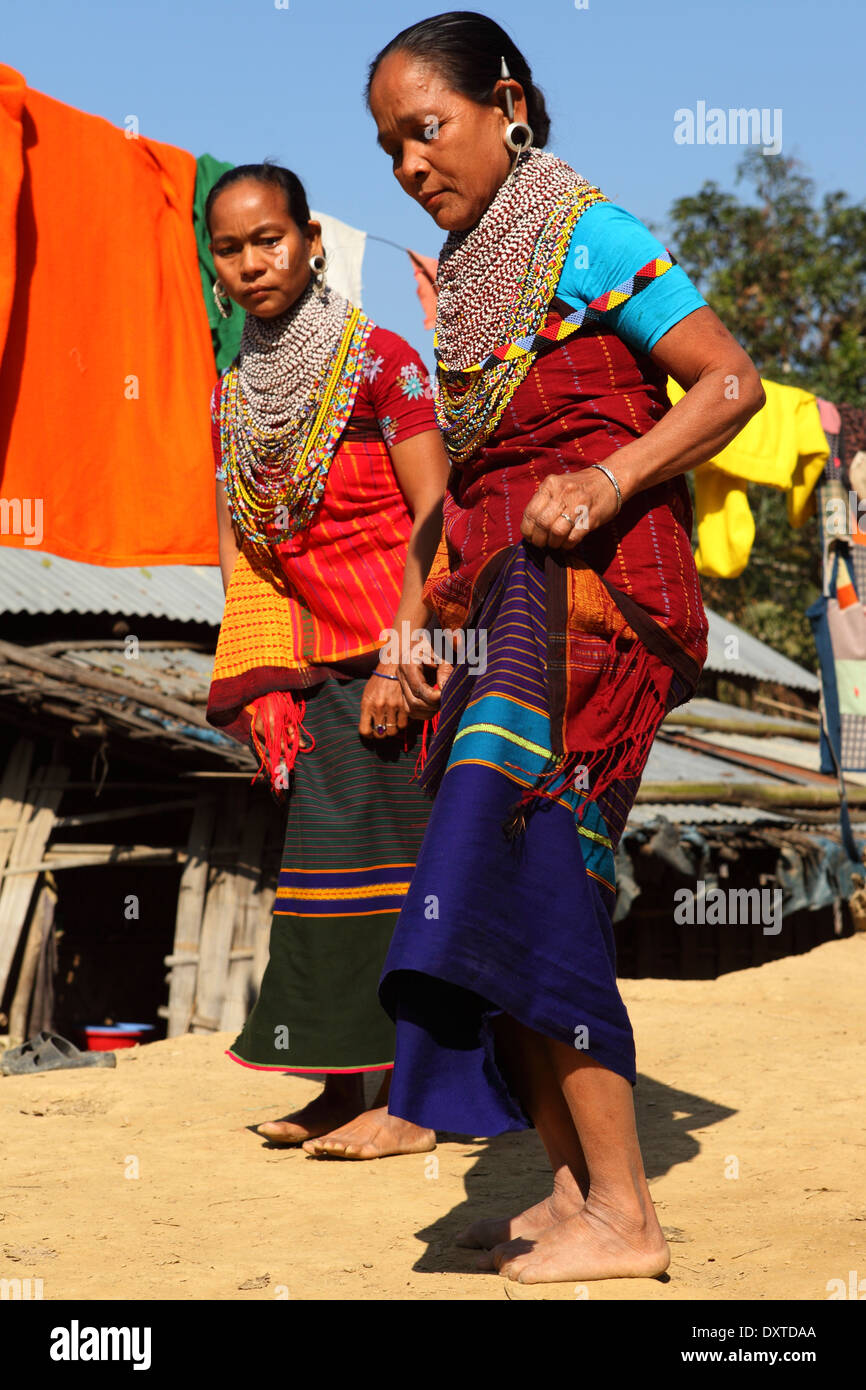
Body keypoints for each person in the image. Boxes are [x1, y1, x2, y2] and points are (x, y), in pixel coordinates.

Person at [366, 12, 765, 1278]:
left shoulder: (583, 227)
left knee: (530, 857)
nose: (408, 165)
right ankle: (569, 1188)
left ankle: (629, 1217)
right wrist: (415, 620)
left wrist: (606, 475)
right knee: (494, 869)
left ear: (509, 106)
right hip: (493, 597)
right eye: (386, 148)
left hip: (594, 593)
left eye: (426, 129)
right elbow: (468, 488)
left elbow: (727, 383)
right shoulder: (466, 278)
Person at [204, 162, 449, 1159]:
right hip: (312, 674)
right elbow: (235, 536)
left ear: (309, 239)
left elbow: (438, 508)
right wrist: (261, 666)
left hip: (401, 656)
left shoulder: (381, 360)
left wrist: (404, 645)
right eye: (230, 248)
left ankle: (417, 1099)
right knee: (322, 886)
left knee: (406, 883)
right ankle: (340, 1086)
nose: (252, 262)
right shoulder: (232, 396)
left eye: (268, 238)